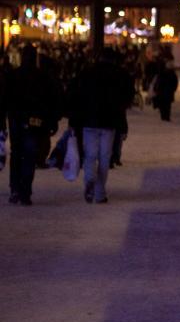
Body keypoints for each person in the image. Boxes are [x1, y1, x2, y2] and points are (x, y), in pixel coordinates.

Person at [68, 46, 132, 204]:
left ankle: (89, 178)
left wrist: (74, 122)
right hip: (109, 122)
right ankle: (100, 192)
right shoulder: (120, 75)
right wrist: (122, 126)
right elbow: (124, 102)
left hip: (89, 121)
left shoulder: (86, 74)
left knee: (90, 155)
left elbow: (76, 97)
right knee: (105, 157)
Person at [5, 43, 61, 205]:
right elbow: (51, 100)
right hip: (34, 120)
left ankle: (15, 188)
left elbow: (6, 99)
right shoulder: (42, 77)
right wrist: (51, 121)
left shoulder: (14, 75)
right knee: (29, 154)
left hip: (16, 118)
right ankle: (25, 191)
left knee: (17, 153)